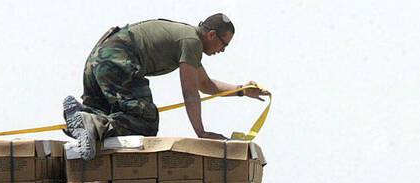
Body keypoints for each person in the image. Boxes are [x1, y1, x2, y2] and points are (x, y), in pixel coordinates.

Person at [64, 14, 269, 158]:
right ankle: (89, 121)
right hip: (118, 60)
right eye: (224, 45)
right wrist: (202, 133)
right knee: (146, 121)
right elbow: (190, 92)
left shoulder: (186, 37)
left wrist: (242, 90)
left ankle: (84, 116)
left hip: (99, 59)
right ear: (212, 35)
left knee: (108, 118)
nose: (222, 51)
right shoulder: (192, 42)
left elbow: (205, 85)